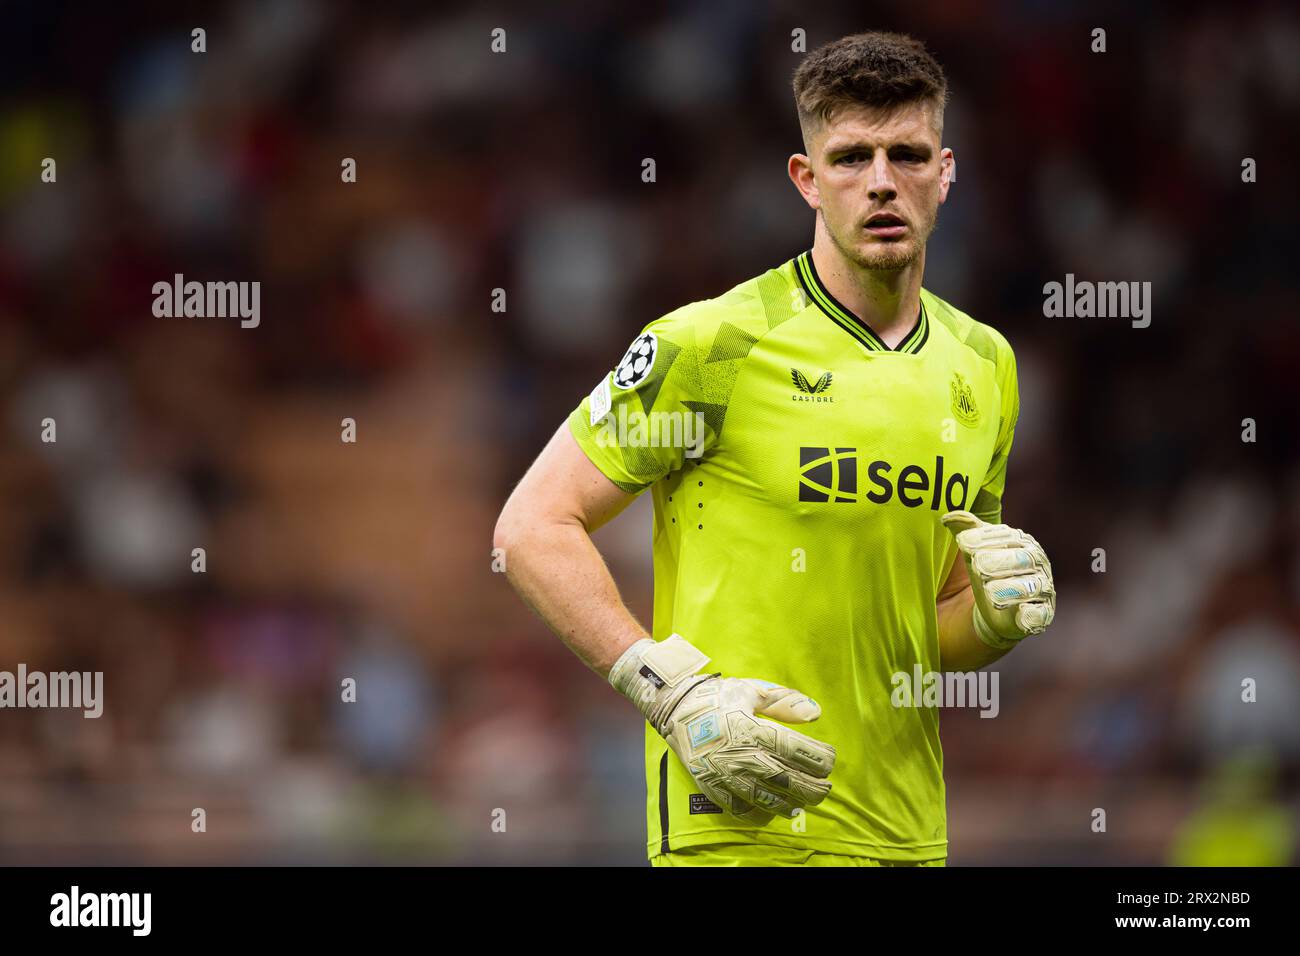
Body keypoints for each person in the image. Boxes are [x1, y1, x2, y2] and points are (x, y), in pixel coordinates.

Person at [494, 31, 1056, 867]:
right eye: (849, 157)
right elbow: (532, 527)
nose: (880, 182)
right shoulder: (711, 344)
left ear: (944, 173)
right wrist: (670, 693)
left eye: (906, 155)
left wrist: (992, 617)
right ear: (806, 179)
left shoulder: (985, 364)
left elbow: (926, 623)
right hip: (736, 822)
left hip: (905, 831)